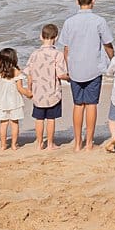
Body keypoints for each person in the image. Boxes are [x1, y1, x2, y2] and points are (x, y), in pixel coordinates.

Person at [61, 0, 114, 153]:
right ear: (94, 1)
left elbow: (66, 48)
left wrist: (67, 67)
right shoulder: (99, 21)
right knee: (91, 104)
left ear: (77, 1)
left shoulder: (69, 22)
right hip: (94, 68)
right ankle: (89, 142)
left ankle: (77, 143)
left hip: (75, 68)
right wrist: (113, 60)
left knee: (78, 105)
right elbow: (107, 44)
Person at [24, 23, 68, 151]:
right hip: (52, 92)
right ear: (56, 37)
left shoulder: (35, 54)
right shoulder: (57, 54)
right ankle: (50, 143)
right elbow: (60, 74)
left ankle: (39, 144)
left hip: (38, 92)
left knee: (39, 119)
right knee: (50, 119)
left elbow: (29, 73)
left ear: (41, 37)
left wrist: (29, 88)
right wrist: (70, 77)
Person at [0, 47, 31, 151]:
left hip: (1, 102)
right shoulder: (17, 72)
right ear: (14, 59)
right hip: (14, 102)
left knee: (3, 123)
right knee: (14, 123)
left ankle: (3, 145)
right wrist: (28, 94)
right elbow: (20, 89)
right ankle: (14, 145)